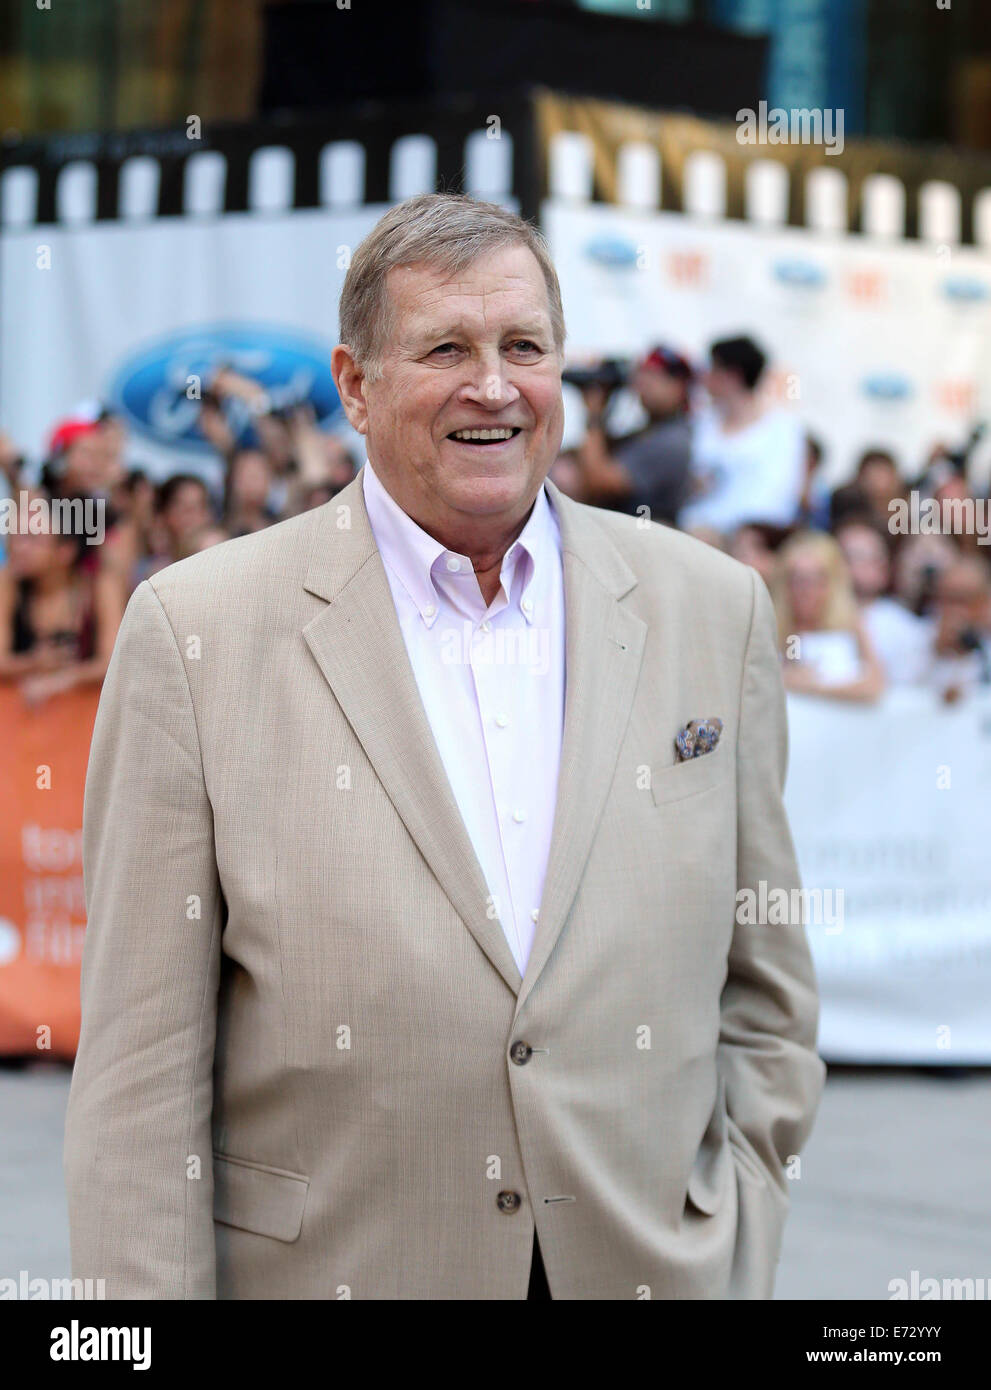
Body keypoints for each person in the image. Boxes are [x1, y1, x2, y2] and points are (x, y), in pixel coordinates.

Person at [65, 192, 824, 1301]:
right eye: (445, 348)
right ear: (355, 384)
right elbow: (141, 1066)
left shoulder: (714, 611)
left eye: (525, 346)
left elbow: (768, 994)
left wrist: (739, 1227)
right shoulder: (197, 632)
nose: (493, 385)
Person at [680, 335, 805, 536]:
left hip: (750, 538)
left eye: (711, 369)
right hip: (693, 530)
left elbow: (780, 496)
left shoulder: (783, 428)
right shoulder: (702, 421)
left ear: (732, 376)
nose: (704, 378)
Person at [574, 345, 695, 525]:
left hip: (642, 536)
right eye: (643, 375)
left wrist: (594, 415)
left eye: (655, 377)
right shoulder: (649, 430)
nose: (643, 384)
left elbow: (598, 481)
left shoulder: (672, 441)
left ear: (678, 386)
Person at [771, 531, 886, 703]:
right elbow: (783, 676)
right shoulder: (782, 631)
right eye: (797, 579)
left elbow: (874, 686)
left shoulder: (852, 625)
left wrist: (814, 686)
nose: (805, 590)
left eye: (815, 579)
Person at [834, 518, 930, 686]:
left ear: (885, 567)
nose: (848, 567)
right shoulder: (810, 617)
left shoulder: (904, 626)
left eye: (860, 557)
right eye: (845, 557)